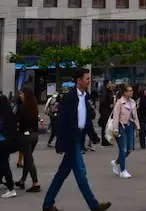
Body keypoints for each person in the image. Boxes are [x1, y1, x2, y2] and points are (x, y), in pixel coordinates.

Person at [42, 69, 112, 211]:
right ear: (79, 80)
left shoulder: (84, 97)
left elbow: (84, 120)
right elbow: (61, 121)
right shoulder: (69, 97)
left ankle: (47, 204)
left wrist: (94, 136)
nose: (88, 81)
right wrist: (61, 142)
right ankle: (94, 205)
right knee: (80, 172)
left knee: (62, 174)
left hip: (79, 137)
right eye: (86, 78)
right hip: (70, 139)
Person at [109, 83, 140, 179]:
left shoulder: (132, 102)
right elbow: (116, 117)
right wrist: (115, 129)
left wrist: (137, 128)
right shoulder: (119, 102)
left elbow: (135, 116)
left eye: (132, 90)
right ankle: (123, 170)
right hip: (121, 126)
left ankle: (116, 162)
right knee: (123, 149)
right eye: (130, 91)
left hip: (130, 126)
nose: (132, 92)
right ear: (125, 93)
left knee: (130, 149)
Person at [15, 87, 41, 193]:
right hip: (35, 135)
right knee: (27, 158)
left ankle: (36, 183)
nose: (19, 95)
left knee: (29, 160)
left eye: (21, 94)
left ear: (25, 95)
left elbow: (15, 120)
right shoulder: (33, 106)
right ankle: (22, 180)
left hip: (25, 136)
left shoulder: (22, 107)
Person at [98, 80, 114, 147]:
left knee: (106, 126)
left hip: (107, 111)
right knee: (105, 127)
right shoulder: (105, 91)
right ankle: (105, 141)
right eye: (110, 83)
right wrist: (109, 105)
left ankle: (106, 140)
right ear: (107, 84)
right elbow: (103, 101)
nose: (111, 84)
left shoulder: (108, 91)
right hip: (106, 112)